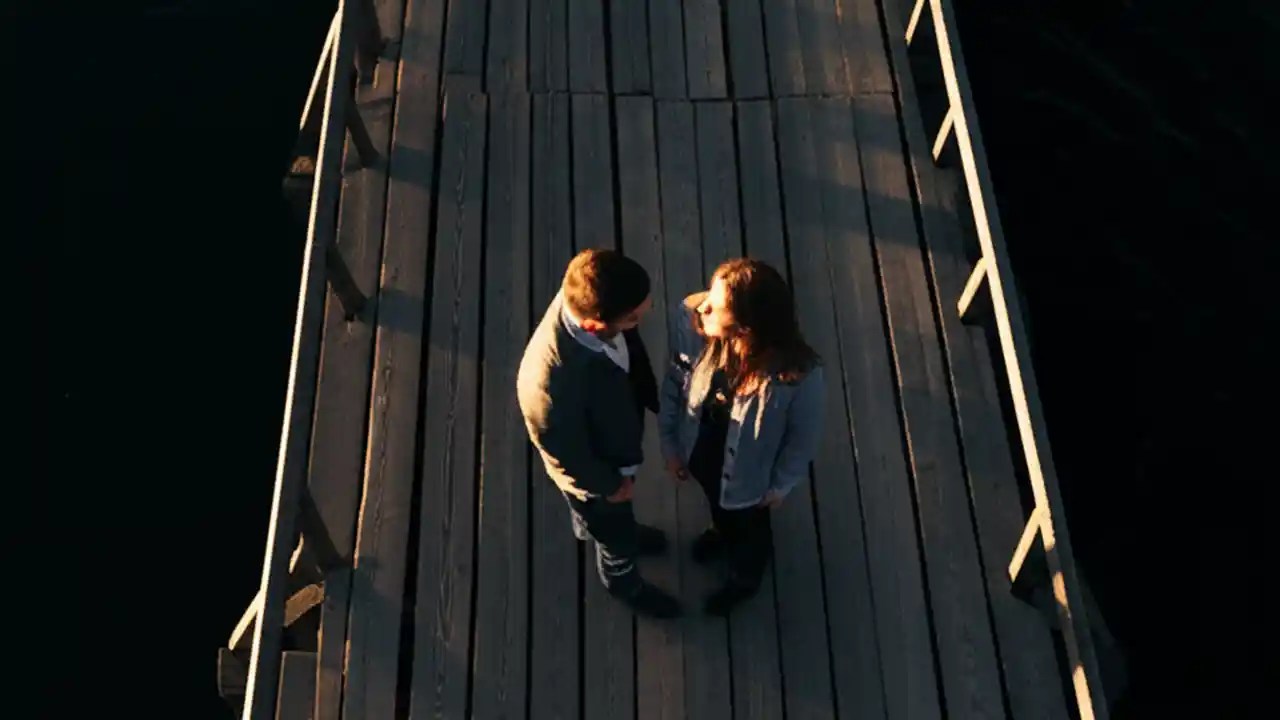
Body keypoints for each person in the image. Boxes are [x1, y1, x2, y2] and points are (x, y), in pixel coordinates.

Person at [517, 248, 682, 618]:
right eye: (634, 317)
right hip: (594, 479)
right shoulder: (551, 387)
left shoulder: (588, 300)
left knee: (612, 522)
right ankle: (623, 580)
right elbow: (566, 452)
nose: (644, 318)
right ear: (595, 325)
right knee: (613, 533)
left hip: (610, 446)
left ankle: (610, 531)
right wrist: (610, 486)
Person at [659, 258, 825, 615]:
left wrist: (779, 486)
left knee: (749, 529)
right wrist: (672, 446)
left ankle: (745, 578)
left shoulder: (799, 378)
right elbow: (675, 381)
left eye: (714, 308)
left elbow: (802, 440)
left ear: (744, 329)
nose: (701, 307)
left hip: (751, 474)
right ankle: (721, 532)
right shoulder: (692, 323)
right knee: (717, 502)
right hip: (704, 447)